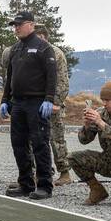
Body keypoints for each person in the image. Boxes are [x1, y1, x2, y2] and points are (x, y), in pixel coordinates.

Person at [0, 10, 59, 199]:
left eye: (19, 24)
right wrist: (5, 100)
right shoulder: (15, 50)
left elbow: (52, 76)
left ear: (31, 25)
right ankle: (25, 183)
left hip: (37, 103)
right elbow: (9, 77)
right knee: (19, 144)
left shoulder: (43, 47)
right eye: (14, 25)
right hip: (18, 103)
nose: (16, 28)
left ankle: (44, 186)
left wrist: (49, 98)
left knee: (40, 144)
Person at [36, 24, 72, 185]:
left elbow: (63, 83)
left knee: (56, 139)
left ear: (43, 36)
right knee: (35, 140)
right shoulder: (31, 52)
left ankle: (64, 173)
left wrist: (54, 102)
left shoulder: (56, 54)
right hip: (34, 103)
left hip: (52, 104)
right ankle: (41, 171)